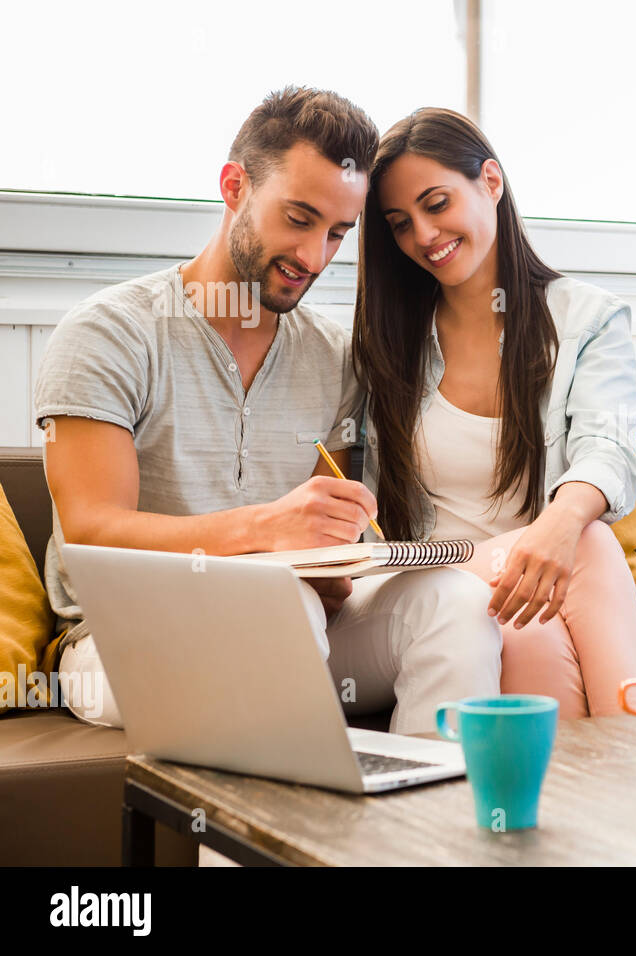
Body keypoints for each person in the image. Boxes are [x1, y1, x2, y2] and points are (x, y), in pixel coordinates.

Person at [37, 87, 500, 734]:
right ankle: (268, 836)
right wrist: (266, 531)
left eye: (338, 233)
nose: (314, 257)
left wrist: (336, 565)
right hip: (121, 639)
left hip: (296, 618)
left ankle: (425, 825)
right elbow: (93, 531)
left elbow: (326, 533)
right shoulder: (109, 334)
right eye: (299, 218)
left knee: (457, 604)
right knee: (278, 608)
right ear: (234, 187)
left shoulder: (336, 356)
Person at [352, 108, 636, 718]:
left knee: (532, 624)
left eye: (437, 204)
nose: (423, 235)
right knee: (587, 549)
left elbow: (608, 448)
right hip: (430, 585)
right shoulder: (386, 341)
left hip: (537, 583)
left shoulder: (585, 319)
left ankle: (573, 801)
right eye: (400, 223)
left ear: (491, 181)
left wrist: (557, 525)